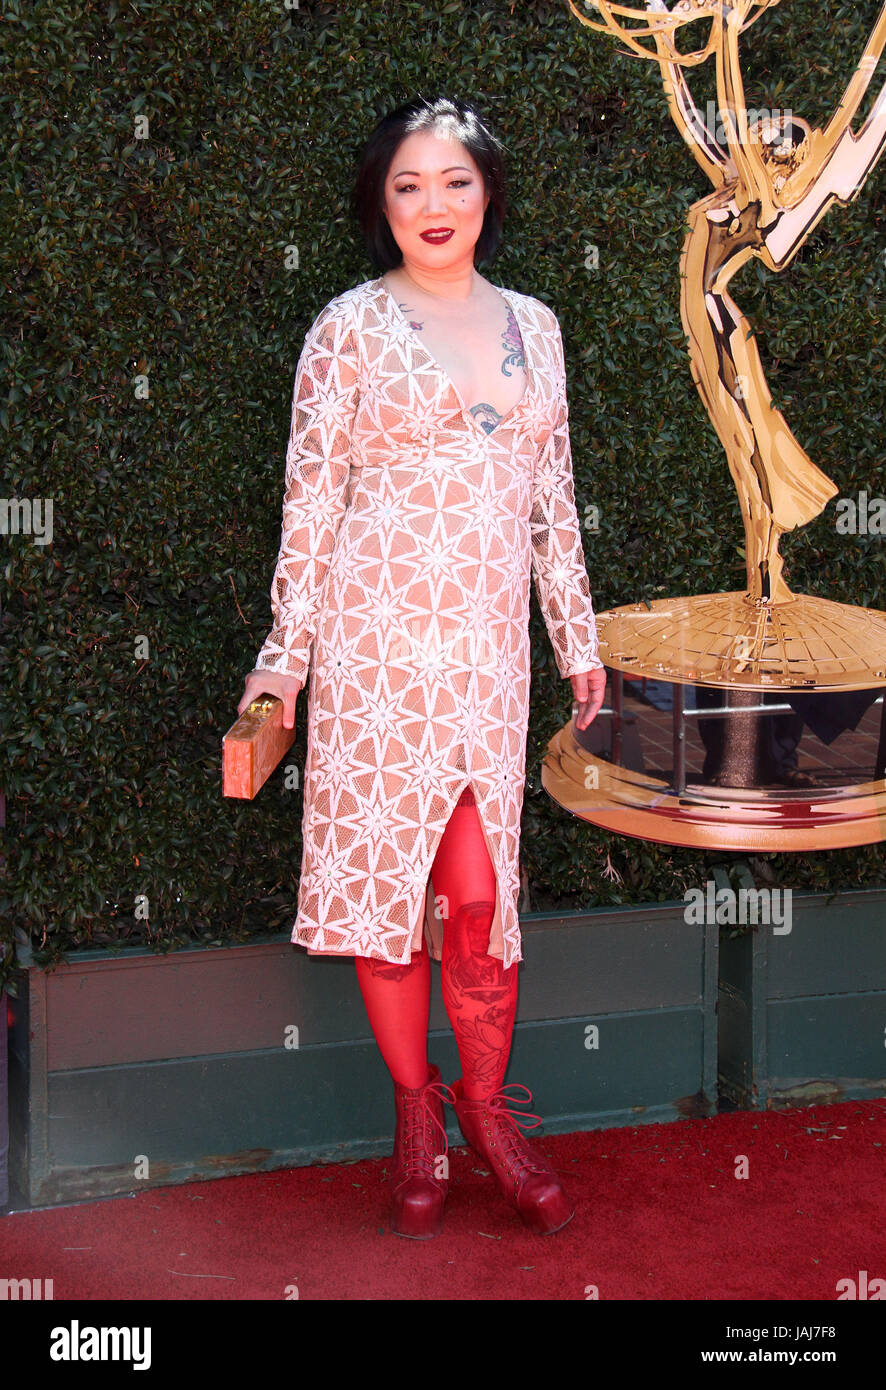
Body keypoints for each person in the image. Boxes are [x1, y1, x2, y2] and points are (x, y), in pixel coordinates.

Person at [238, 96, 606, 1239]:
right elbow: (308, 512)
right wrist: (279, 673)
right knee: (386, 906)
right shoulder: (344, 328)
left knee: (480, 898)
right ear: (379, 204)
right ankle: (415, 1113)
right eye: (407, 185)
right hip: (371, 656)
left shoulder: (536, 328)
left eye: (452, 181)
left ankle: (487, 1111)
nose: (432, 205)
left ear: (487, 190)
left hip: (488, 664)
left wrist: (576, 642)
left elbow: (552, 507)